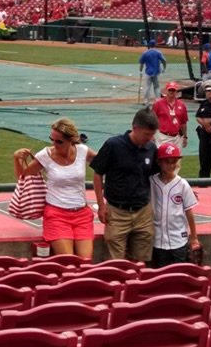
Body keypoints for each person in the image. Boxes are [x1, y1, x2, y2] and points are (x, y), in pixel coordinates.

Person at [13, 118, 94, 259]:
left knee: (86, 262)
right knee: (69, 262)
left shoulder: (83, 151)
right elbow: (23, 176)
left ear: (72, 140)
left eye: (59, 141)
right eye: (52, 139)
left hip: (82, 214)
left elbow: (105, 163)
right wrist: (17, 159)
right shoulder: (45, 155)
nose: (54, 144)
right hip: (57, 215)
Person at [91, 108, 160, 263]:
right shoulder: (113, 145)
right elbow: (97, 173)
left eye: (152, 135)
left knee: (141, 260)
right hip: (117, 211)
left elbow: (156, 175)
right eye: (147, 135)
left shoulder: (151, 148)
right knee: (115, 262)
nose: (149, 139)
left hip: (143, 211)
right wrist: (101, 206)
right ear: (136, 128)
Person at [149, 142, 200, 268]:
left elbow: (189, 212)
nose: (171, 165)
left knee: (179, 274)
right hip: (158, 240)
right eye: (167, 161)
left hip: (178, 239)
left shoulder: (182, 184)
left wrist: (194, 237)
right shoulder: (151, 181)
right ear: (159, 162)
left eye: (174, 161)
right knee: (160, 275)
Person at [153, 82, 189, 152]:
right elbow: (152, 120)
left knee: (177, 160)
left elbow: (183, 122)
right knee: (163, 159)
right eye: (170, 90)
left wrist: (185, 136)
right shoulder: (158, 104)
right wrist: (152, 135)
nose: (172, 92)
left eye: (174, 90)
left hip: (177, 137)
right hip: (163, 136)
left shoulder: (181, 105)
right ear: (166, 91)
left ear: (176, 92)